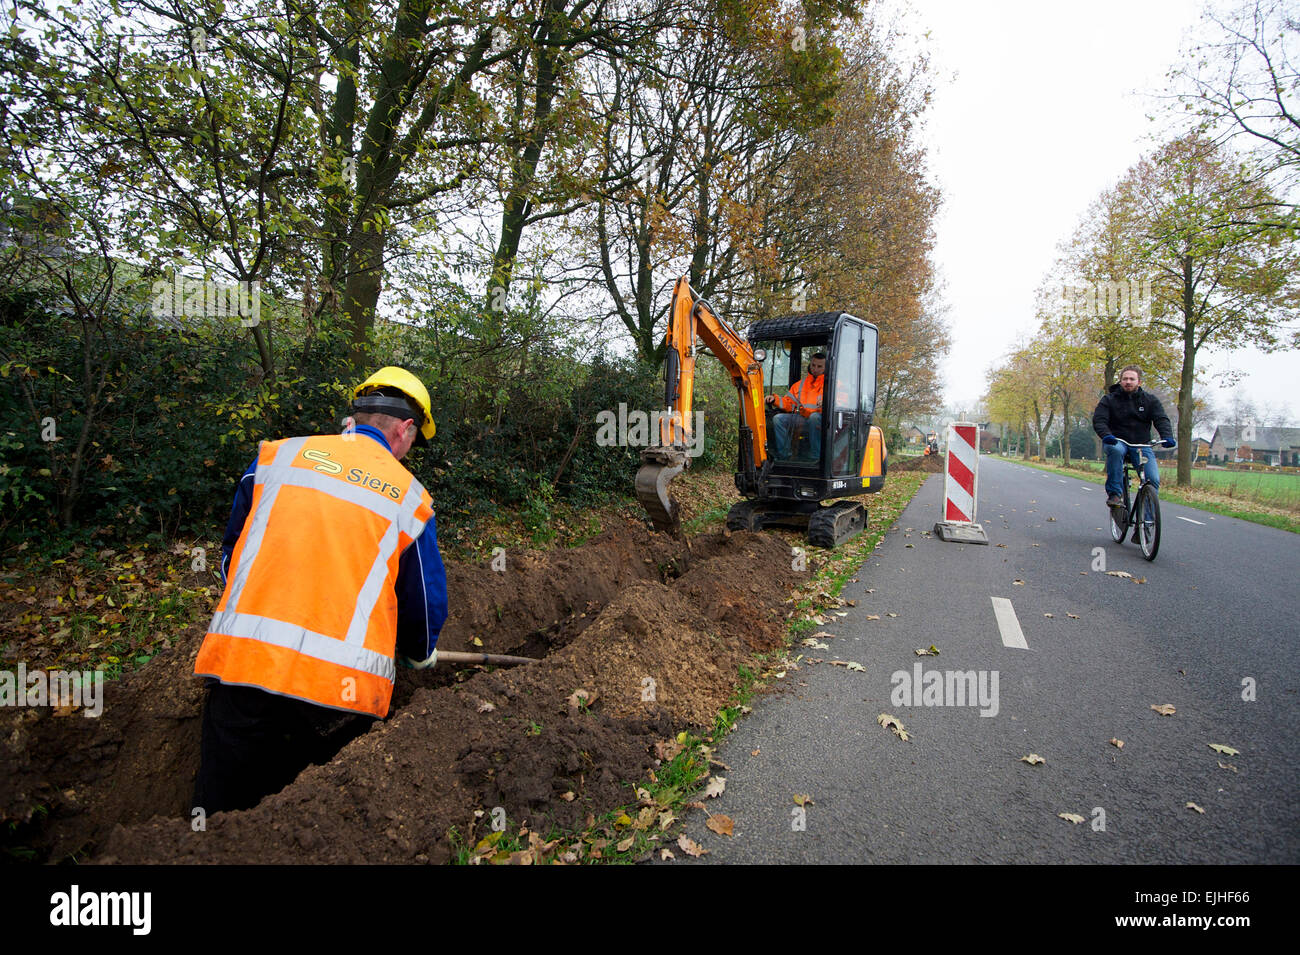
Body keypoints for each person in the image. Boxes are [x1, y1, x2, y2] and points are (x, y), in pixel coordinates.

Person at [192, 366, 448, 814]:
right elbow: (423, 606)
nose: (409, 454)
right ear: (405, 428)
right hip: (336, 694)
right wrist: (417, 652)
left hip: (242, 666)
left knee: (220, 811)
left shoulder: (278, 457)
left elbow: (233, 553)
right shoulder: (408, 497)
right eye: (414, 443)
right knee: (312, 818)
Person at [1092, 365, 1176, 509]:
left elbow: (1161, 419)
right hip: (1117, 440)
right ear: (1120, 381)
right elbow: (1099, 420)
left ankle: (1147, 522)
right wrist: (1107, 435)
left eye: (1132, 379)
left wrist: (1167, 436)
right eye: (1125, 379)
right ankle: (1115, 494)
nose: (1128, 382)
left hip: (1141, 444)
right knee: (1116, 451)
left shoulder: (1150, 400)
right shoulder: (1109, 399)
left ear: (1139, 382)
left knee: (1152, 479)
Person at [766, 352, 825, 461]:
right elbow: (789, 403)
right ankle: (785, 456)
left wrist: (827, 401)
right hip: (803, 419)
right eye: (813, 365)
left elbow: (841, 402)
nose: (815, 369)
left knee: (814, 418)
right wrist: (775, 400)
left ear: (826, 367)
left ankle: (816, 457)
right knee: (778, 419)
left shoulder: (832, 384)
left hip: (823, 421)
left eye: (819, 366)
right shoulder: (800, 384)